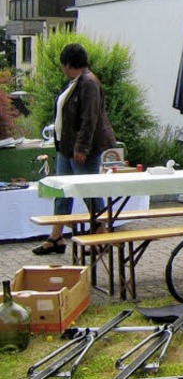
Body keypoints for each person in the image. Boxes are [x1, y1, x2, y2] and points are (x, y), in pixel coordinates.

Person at [32, 44, 116, 256]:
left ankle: (101, 234)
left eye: (63, 65)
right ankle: (56, 236)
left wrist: (82, 147)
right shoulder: (75, 82)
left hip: (81, 149)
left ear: (68, 64)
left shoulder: (89, 83)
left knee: (88, 190)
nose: (62, 69)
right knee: (61, 191)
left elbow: (90, 118)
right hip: (66, 147)